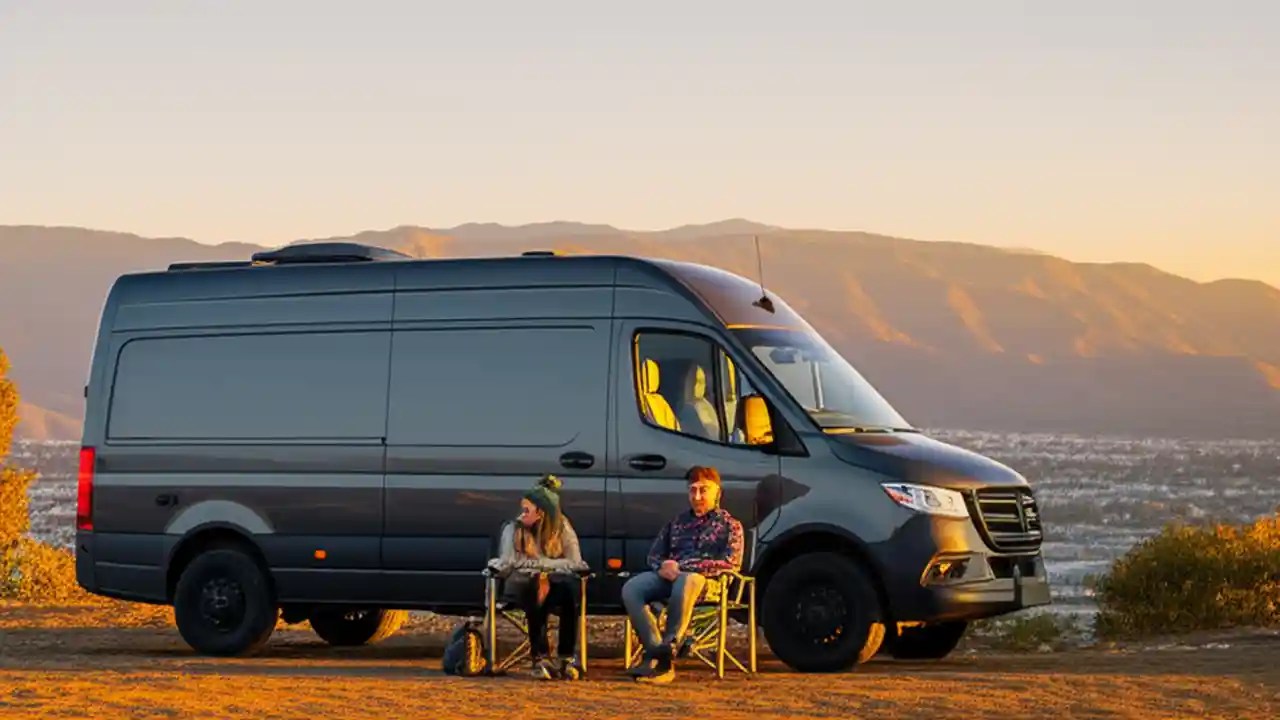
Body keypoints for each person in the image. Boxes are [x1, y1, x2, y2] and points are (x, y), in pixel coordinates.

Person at [622, 465, 744, 683]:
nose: (697, 496)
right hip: (670, 577)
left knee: (688, 579)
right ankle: (655, 650)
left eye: (703, 490)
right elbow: (653, 556)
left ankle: (670, 647)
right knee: (632, 588)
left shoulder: (730, 525)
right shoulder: (677, 523)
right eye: (692, 490)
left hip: (707, 583)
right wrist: (662, 566)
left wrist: (686, 566)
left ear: (718, 493)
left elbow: (731, 562)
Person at [490, 474, 588, 680]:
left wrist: (542, 566)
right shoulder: (513, 528)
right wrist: (546, 567)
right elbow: (510, 561)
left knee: (570, 591)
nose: (521, 514)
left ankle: (566, 657)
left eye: (527, 510)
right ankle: (540, 656)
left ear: (541, 513)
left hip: (554, 581)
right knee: (536, 589)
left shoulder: (562, 527)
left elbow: (575, 562)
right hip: (520, 583)